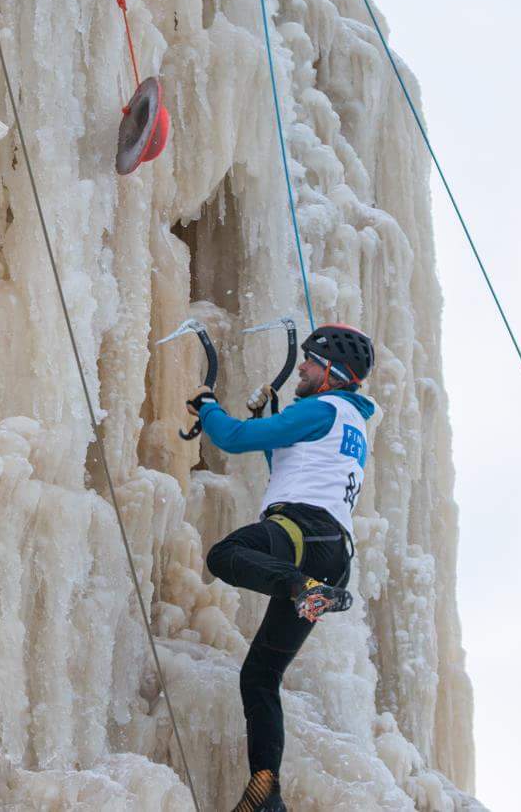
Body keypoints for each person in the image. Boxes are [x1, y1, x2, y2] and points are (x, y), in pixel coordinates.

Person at [187, 324, 377, 812]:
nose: (304, 370)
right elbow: (288, 464)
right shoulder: (350, 422)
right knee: (259, 675)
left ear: (331, 373)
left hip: (302, 537)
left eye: (312, 363)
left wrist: (207, 406)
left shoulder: (319, 408)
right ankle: (265, 790)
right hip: (333, 556)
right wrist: (270, 416)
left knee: (223, 555)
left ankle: (301, 587)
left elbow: (231, 438)